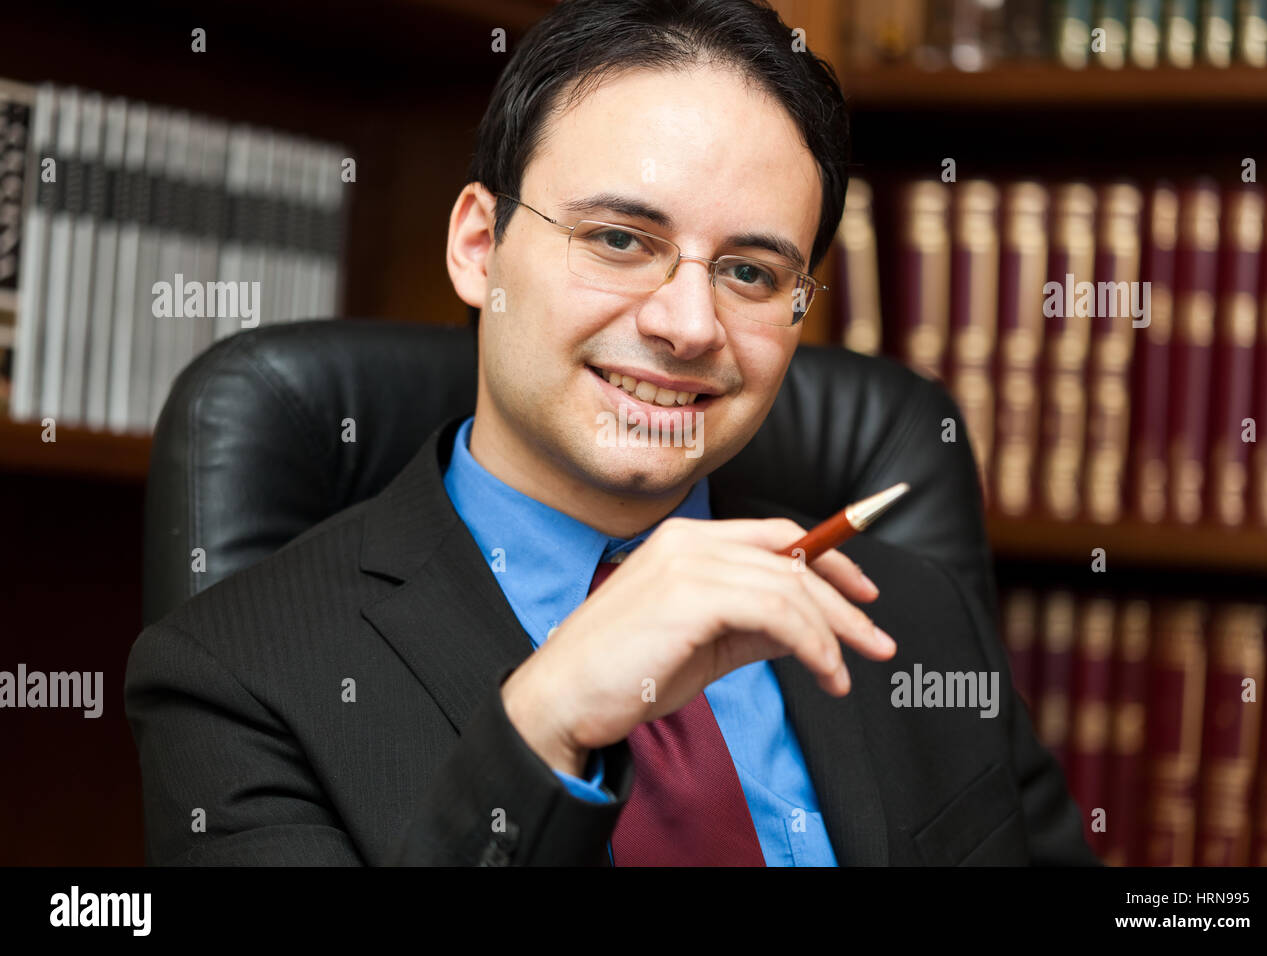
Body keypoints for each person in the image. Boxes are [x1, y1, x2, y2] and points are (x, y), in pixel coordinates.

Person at [125, 0, 1097, 866]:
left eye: (750, 272)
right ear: (478, 246)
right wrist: (546, 720)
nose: (686, 324)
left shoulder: (915, 612)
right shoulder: (233, 677)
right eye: (620, 240)